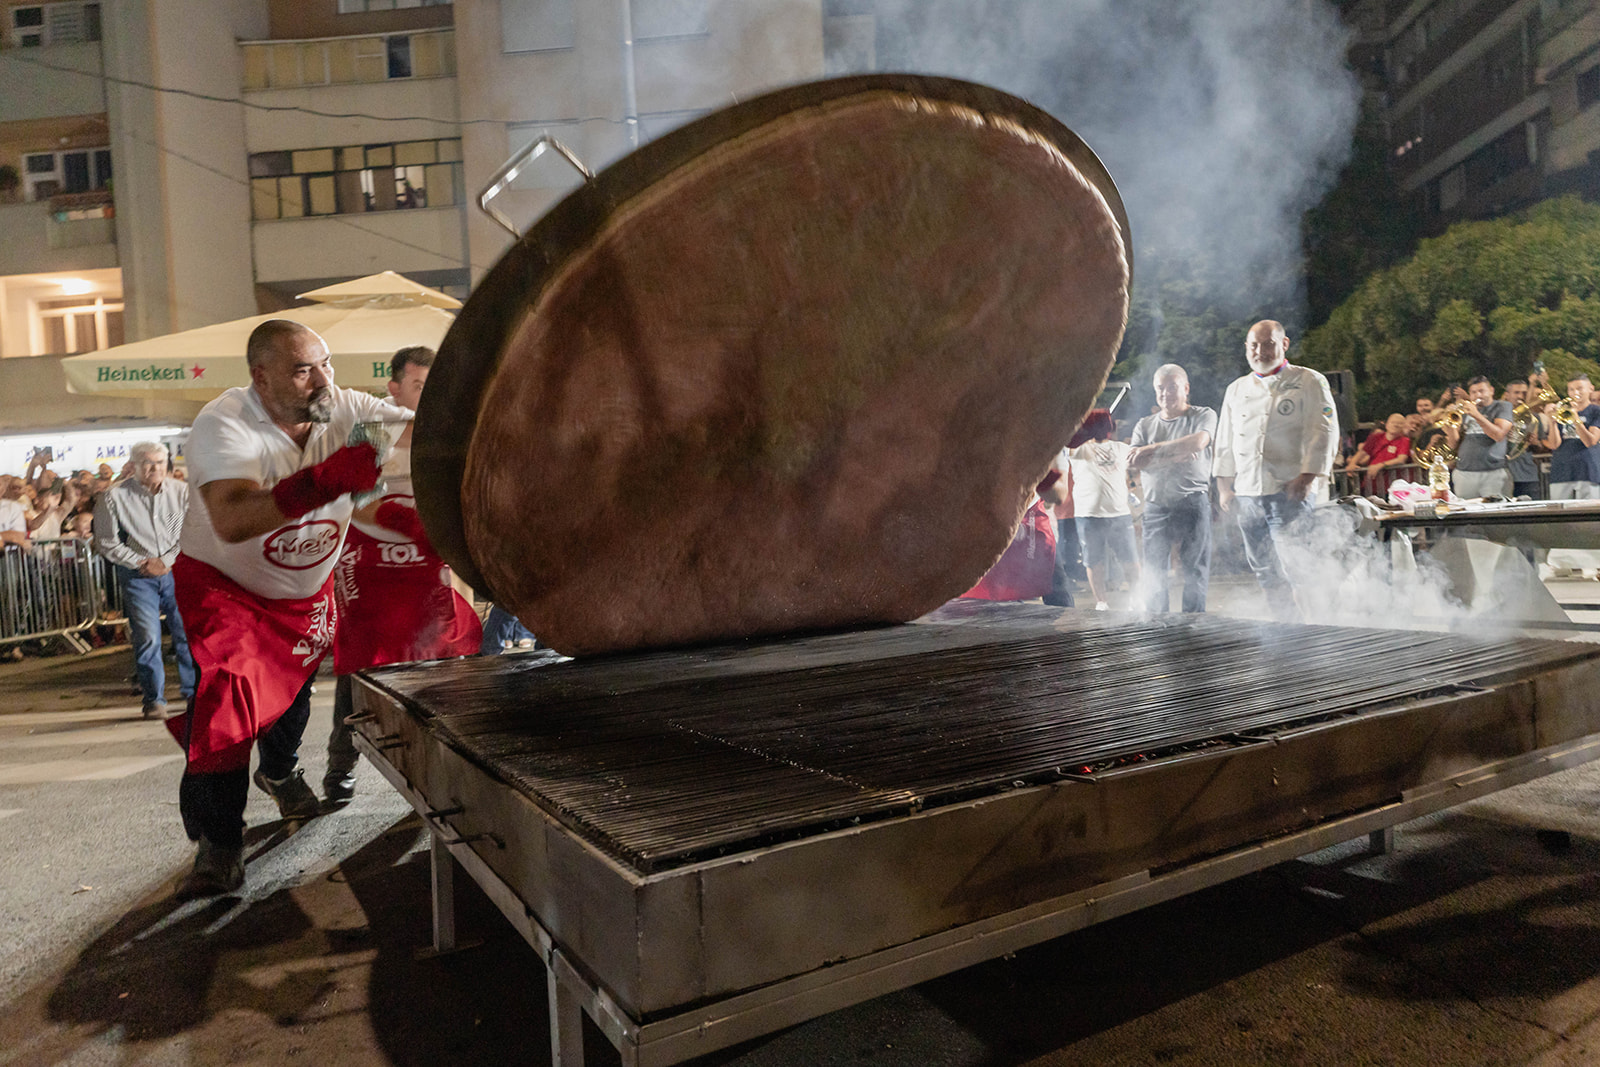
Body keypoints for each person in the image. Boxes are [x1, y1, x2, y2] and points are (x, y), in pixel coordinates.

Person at [167, 319, 403, 897]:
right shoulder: (224, 423)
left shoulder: (348, 407)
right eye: (303, 370)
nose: (322, 380)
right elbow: (233, 518)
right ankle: (220, 845)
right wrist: (319, 483)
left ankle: (278, 770)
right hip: (230, 589)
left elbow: (429, 431)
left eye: (326, 363)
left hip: (304, 592)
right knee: (229, 698)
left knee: (294, 694)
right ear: (261, 378)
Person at [326, 347, 480, 803]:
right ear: (393, 390)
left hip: (428, 564)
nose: (429, 396)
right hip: (371, 562)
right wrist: (404, 521)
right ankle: (341, 764)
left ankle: (441, 771)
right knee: (363, 663)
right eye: (418, 386)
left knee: (442, 661)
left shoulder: (450, 436)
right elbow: (357, 499)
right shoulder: (373, 432)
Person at [1213, 320, 1338, 620]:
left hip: (1289, 492)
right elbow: (1225, 441)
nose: (1260, 351)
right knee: (1265, 571)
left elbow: (1324, 431)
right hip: (1248, 495)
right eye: (1253, 346)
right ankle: (1287, 631)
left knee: (1299, 568)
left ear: (1284, 344)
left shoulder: (1309, 380)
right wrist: (1224, 488)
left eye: (1268, 343)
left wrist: (1308, 477)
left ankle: (1315, 631)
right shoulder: (1236, 389)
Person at [92, 442, 195, 720]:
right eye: (148, 463)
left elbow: (192, 530)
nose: (155, 468)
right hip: (138, 573)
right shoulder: (113, 496)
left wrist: (167, 561)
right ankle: (154, 699)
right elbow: (105, 541)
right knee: (147, 636)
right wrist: (142, 563)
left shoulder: (181, 492)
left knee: (185, 632)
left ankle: (193, 692)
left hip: (176, 570)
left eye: (161, 462)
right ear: (134, 465)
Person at [1129, 363, 1214, 613]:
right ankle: (1159, 628)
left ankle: (1193, 626)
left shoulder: (1202, 415)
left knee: (1194, 570)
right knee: (1154, 571)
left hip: (1193, 502)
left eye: (1172, 387)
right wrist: (1175, 454)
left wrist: (1150, 450)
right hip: (1156, 507)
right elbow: (1134, 461)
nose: (1165, 393)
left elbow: (1199, 441)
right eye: (1160, 388)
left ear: (1186, 389)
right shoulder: (1144, 425)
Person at [1061, 409, 1140, 611]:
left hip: (1119, 514)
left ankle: (1135, 598)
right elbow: (1064, 440)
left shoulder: (1121, 448)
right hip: (1088, 514)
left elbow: (1140, 458)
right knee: (1093, 561)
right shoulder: (1077, 450)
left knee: (1129, 559)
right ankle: (1101, 602)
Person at [1443, 376, 1514, 499]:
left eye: (1481, 391)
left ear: (1491, 390)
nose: (1477, 395)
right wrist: (1450, 425)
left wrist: (1476, 414)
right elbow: (1453, 442)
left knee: (1496, 511)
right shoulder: (1465, 410)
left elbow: (1498, 435)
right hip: (1464, 472)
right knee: (1466, 514)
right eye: (1473, 392)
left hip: (1493, 472)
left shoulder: (1502, 407)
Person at [1546, 375, 1600, 500]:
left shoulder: (1595, 411)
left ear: (1590, 389)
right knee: (1560, 516)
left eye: (1580, 388)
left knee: (1589, 516)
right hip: (1561, 471)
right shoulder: (1562, 410)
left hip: (1588, 471)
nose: (1575, 393)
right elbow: (1554, 444)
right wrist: (1551, 421)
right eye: (1571, 389)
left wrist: (1575, 418)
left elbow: (1591, 441)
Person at [1346, 413, 1412, 497]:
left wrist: (1380, 465)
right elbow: (1363, 452)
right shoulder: (1375, 437)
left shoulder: (1404, 440)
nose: (1396, 425)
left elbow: (1401, 459)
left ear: (1403, 426)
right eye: (1393, 422)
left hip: (1392, 486)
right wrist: (1352, 464)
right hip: (1370, 484)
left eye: (1400, 423)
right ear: (1387, 425)